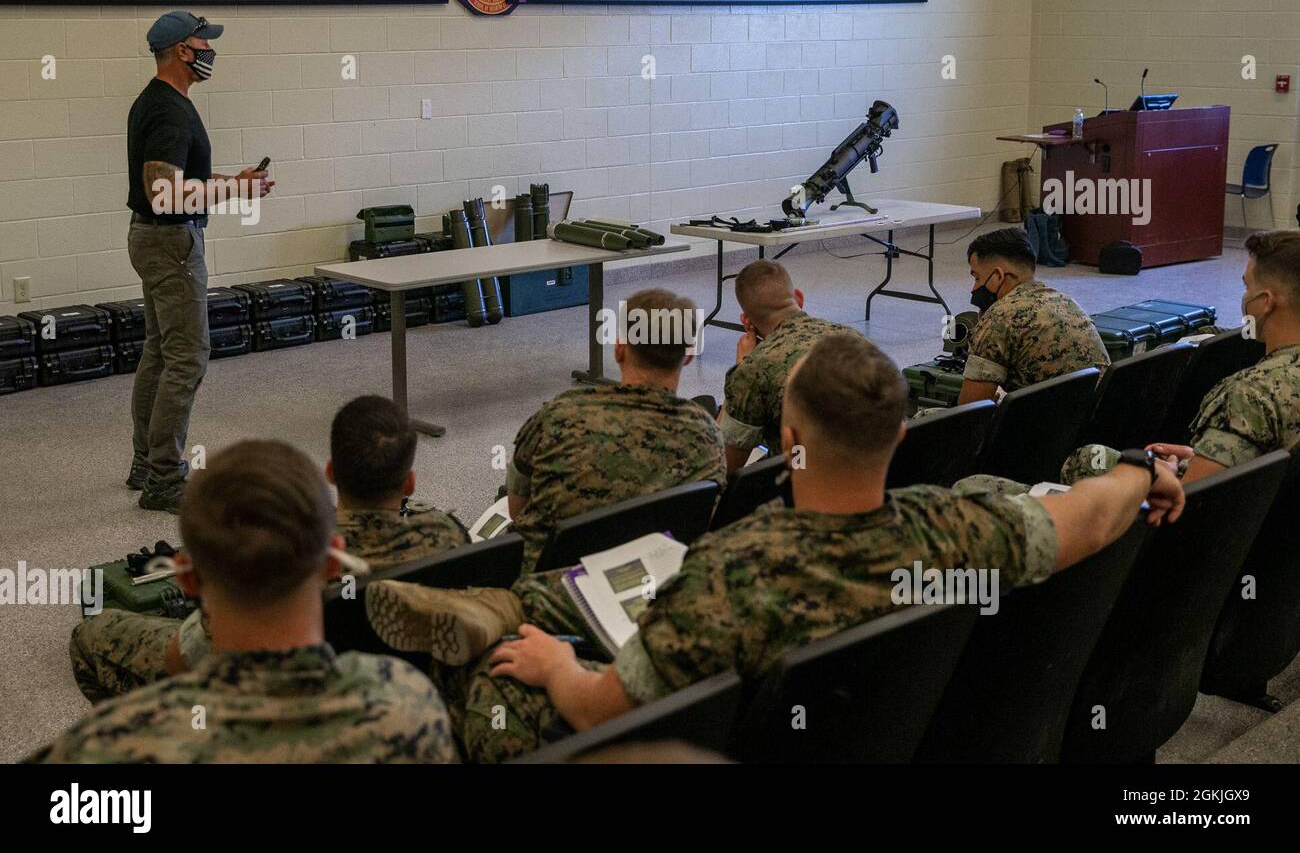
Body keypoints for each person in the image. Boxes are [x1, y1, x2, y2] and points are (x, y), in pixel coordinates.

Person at [373, 332, 1184, 761]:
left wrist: (555, 668)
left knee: (498, 683)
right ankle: (506, 602)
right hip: (889, 731)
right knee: (600, 579)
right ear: (900, 434)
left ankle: (504, 618)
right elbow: (1089, 516)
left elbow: (602, 706)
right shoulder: (959, 528)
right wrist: (1140, 470)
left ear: (787, 436)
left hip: (724, 739)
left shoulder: (733, 569)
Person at [29, 440, 457, 763]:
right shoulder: (412, 707)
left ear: (188, 579)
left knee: (93, 635)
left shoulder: (104, 746)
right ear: (331, 563)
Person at [69, 395, 467, 703]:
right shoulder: (448, 535)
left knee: (91, 635)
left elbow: (188, 657)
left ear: (329, 471)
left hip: (268, 692)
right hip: (400, 691)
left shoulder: (298, 547)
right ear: (410, 482)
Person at [127, 11, 273, 513]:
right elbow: (164, 194)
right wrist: (238, 189)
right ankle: (165, 478)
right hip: (170, 244)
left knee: (160, 351)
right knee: (186, 356)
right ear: (183, 52)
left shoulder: (162, 102)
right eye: (202, 43)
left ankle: (146, 462)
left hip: (152, 239)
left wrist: (229, 181)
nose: (210, 51)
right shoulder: (169, 110)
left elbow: (173, 186)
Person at [497, 287, 725, 571]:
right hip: (654, 581)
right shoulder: (708, 434)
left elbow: (517, 509)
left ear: (619, 349)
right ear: (688, 356)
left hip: (548, 587)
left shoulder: (557, 416)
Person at [1064, 229, 1300, 484]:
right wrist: (1196, 458)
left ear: (1265, 301)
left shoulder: (1250, 393)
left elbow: (1189, 505)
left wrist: (1163, 474)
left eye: (1247, 286)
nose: (1244, 297)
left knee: (1087, 459)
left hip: (1211, 519)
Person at [718, 259, 853, 475]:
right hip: (881, 474)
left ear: (746, 320)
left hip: (808, 483)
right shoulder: (854, 339)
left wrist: (741, 368)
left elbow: (722, 465)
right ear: (799, 298)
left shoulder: (754, 367)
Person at [956, 227, 1108, 405]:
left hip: (1048, 429)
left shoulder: (1000, 317)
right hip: (1097, 422)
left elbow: (969, 414)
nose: (974, 289)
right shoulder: (1065, 302)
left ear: (998, 275)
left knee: (926, 418)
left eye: (977, 278)